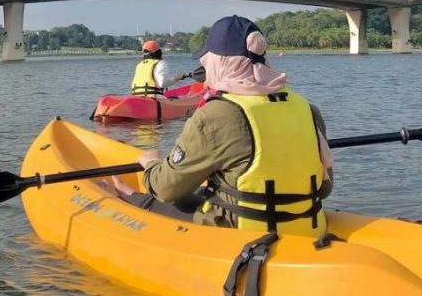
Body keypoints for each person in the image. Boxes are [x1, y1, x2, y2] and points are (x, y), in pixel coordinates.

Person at [120, 16, 334, 237]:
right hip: (307, 227)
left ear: (218, 62)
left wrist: (152, 164)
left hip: (240, 234)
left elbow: (165, 189)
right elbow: (325, 188)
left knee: (167, 200)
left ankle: (127, 196)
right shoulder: (307, 109)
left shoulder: (216, 114)